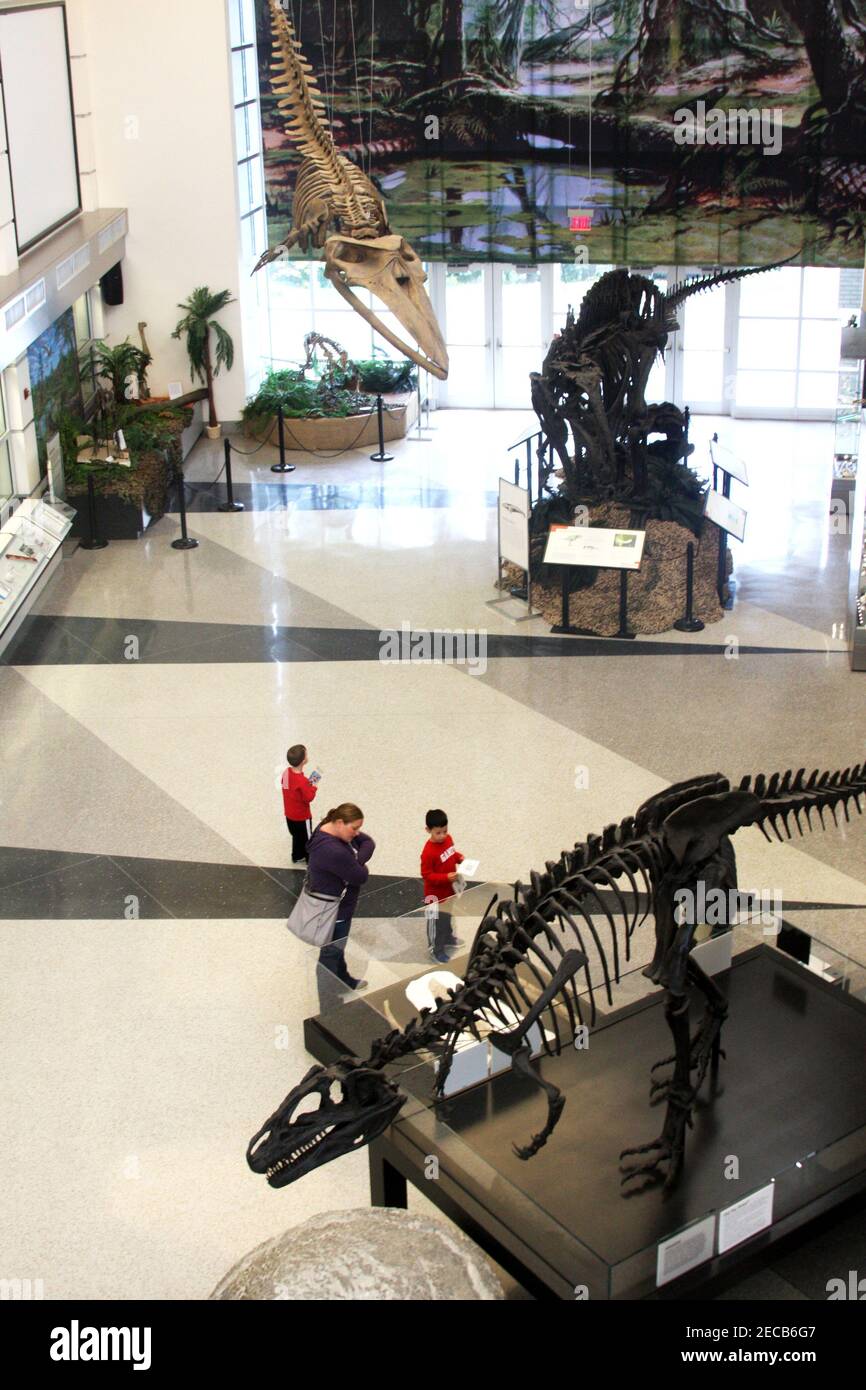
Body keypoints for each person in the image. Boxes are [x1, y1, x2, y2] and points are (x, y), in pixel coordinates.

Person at [307, 802, 374, 990]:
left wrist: (355, 861)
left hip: (337, 908)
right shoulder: (332, 850)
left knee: (337, 951)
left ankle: (344, 979)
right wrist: (358, 865)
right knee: (329, 957)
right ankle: (328, 1007)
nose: (357, 833)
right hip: (334, 914)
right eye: (354, 828)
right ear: (339, 822)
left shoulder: (328, 828)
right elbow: (361, 876)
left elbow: (369, 843)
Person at [420, 809, 465, 964]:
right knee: (435, 924)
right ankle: (435, 949)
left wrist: (459, 858)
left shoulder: (448, 839)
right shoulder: (428, 852)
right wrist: (445, 877)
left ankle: (447, 937)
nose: (443, 836)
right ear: (428, 830)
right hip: (434, 896)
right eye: (438, 833)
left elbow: (451, 853)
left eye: (445, 831)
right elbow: (426, 875)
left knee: (447, 917)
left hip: (449, 891)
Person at [282, 744, 319, 863]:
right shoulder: (302, 781)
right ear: (304, 761)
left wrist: (305, 784)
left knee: (297, 836)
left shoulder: (286, 773)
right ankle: (310, 860)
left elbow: (289, 788)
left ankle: (297, 856)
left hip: (289, 815)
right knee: (308, 839)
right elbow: (308, 798)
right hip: (302, 817)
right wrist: (313, 786)